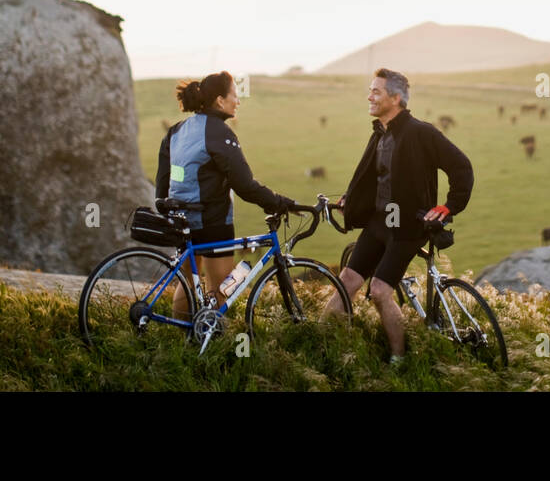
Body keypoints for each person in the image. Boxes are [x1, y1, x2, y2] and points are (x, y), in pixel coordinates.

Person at [323, 68, 473, 363]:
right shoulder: (380, 133)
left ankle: (399, 360)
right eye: (370, 90)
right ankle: (318, 344)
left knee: (379, 291)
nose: (369, 96)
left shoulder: (421, 132)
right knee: (347, 281)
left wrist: (449, 206)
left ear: (395, 98)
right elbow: (371, 177)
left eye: (376, 92)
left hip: (407, 226)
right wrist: (350, 200)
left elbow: (461, 166)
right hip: (380, 221)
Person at [156, 71, 294, 317]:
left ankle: (183, 341)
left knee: (188, 286)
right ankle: (213, 343)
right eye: (235, 95)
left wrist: (166, 205)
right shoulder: (219, 133)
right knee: (221, 290)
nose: (238, 101)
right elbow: (244, 185)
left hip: (181, 219)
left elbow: (163, 179)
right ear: (220, 101)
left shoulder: (177, 130)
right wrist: (278, 202)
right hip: (212, 220)